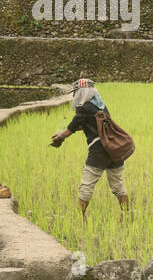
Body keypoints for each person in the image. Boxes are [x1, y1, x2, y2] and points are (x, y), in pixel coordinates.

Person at [50, 78, 129, 216]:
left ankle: (80, 218)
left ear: (82, 92)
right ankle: (127, 215)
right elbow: (84, 124)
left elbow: (71, 128)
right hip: (113, 148)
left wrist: (59, 137)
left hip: (98, 150)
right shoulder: (100, 105)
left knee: (86, 185)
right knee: (118, 185)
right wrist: (65, 132)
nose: (74, 95)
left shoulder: (84, 107)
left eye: (75, 92)